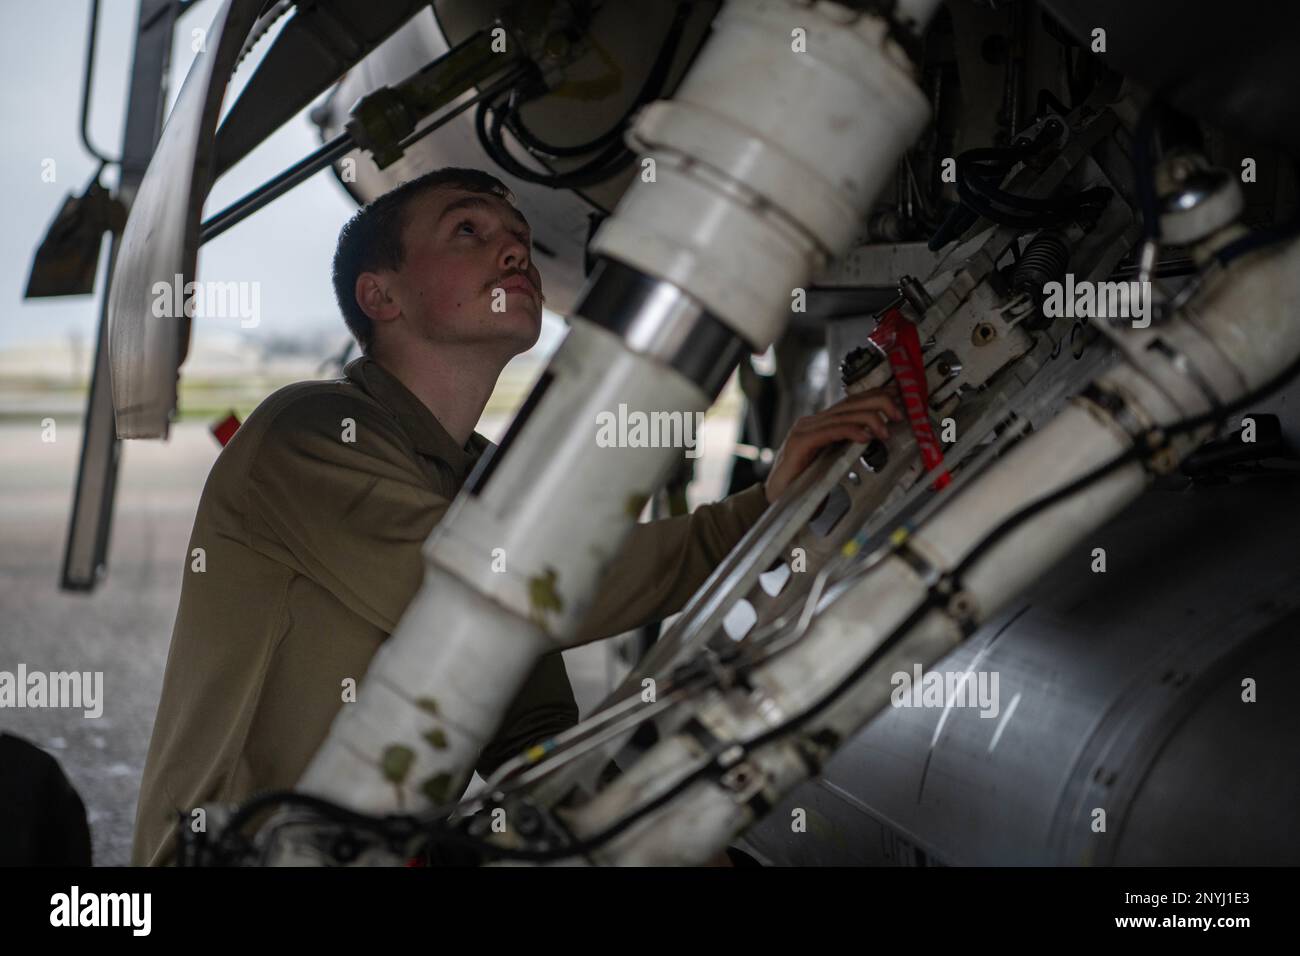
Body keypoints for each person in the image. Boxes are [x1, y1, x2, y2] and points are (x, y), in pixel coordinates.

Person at [131, 167, 901, 865]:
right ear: (381, 296)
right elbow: (494, 594)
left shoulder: (477, 479)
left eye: (520, 239)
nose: (514, 252)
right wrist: (749, 513)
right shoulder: (307, 434)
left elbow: (529, 741)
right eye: (469, 230)